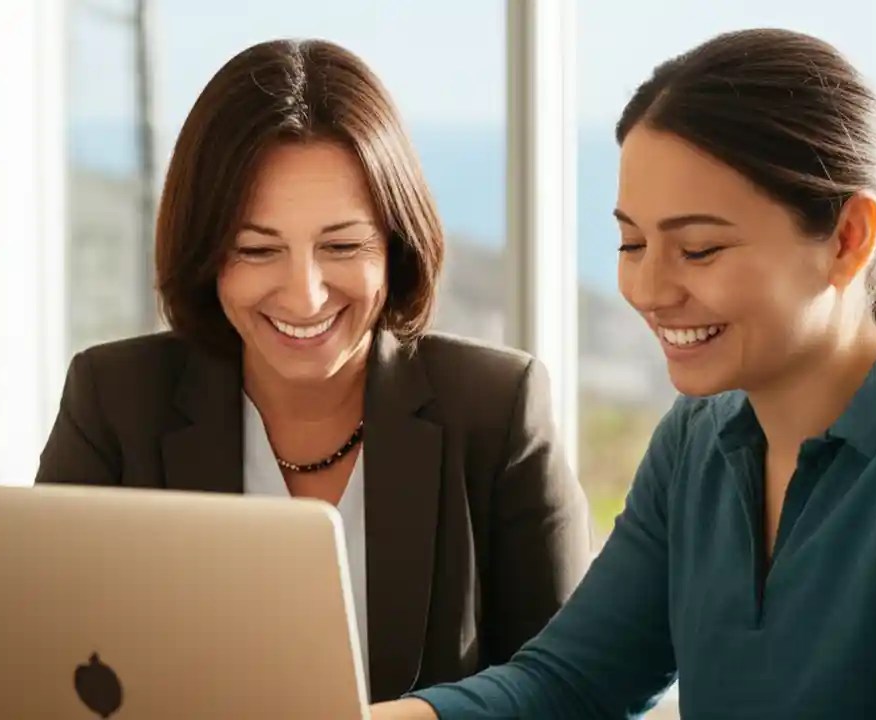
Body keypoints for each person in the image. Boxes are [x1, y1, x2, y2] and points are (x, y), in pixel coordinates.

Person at [373, 27, 876, 720]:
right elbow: (573, 685)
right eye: (631, 242)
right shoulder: (697, 443)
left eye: (700, 249)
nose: (649, 289)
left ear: (848, 239)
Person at [34, 38, 591, 703]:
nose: (304, 295)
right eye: (257, 249)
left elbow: (573, 694)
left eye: (342, 245)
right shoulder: (115, 402)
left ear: (395, 244)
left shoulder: (499, 411)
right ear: (207, 254)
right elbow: (42, 669)